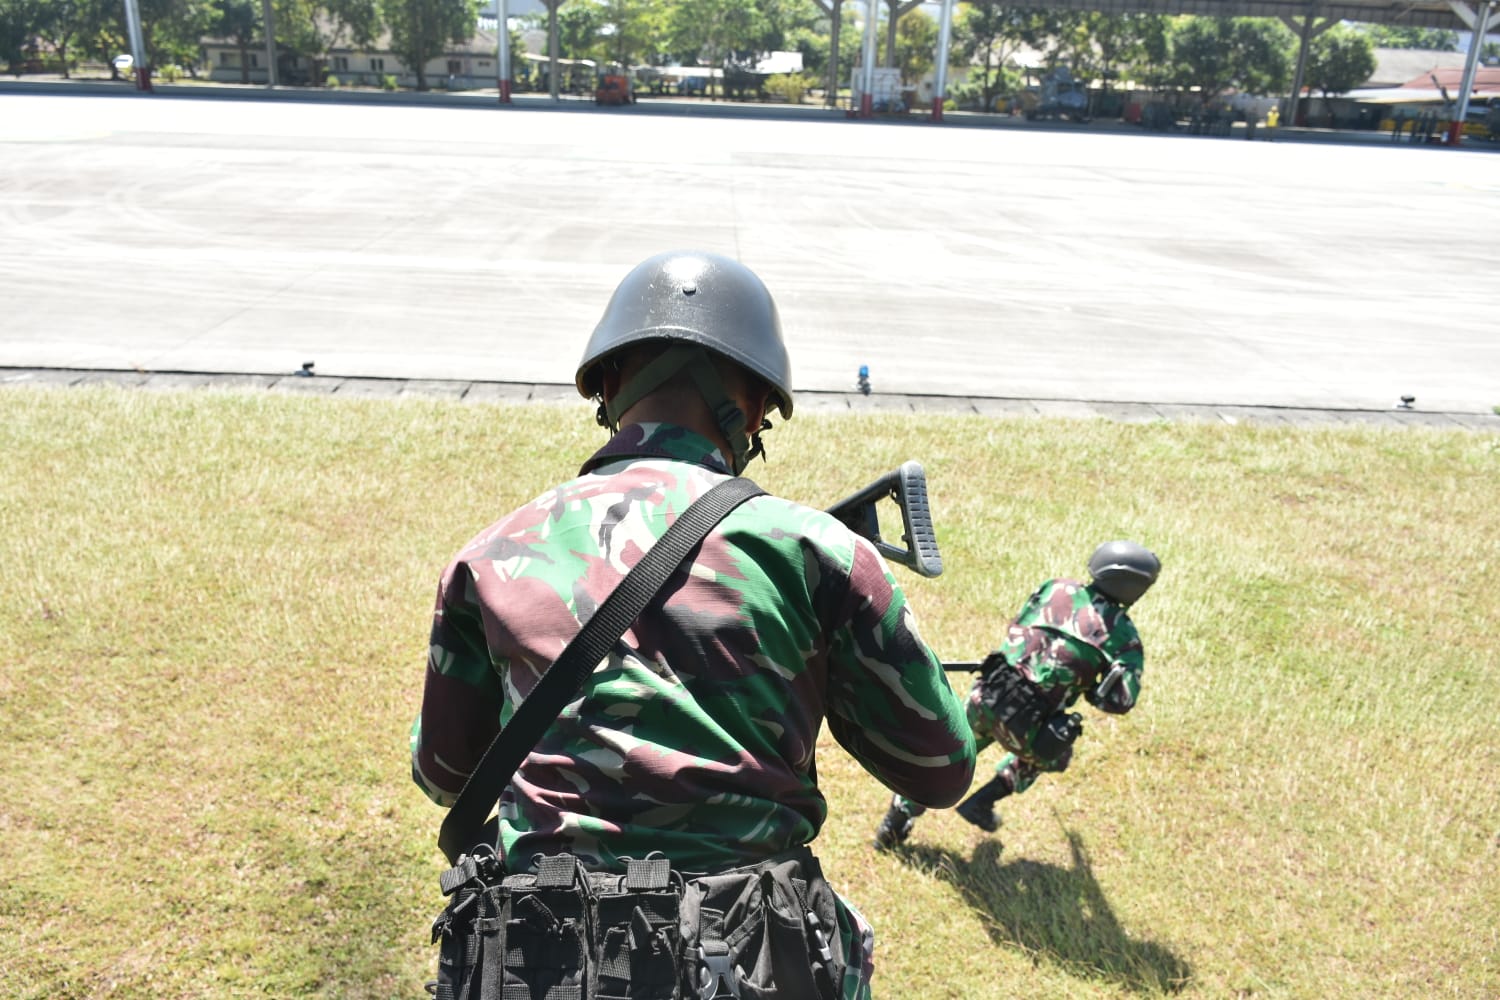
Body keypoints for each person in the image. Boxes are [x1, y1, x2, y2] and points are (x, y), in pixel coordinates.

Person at [411, 249, 976, 999]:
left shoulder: (492, 554)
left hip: (540, 965)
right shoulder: (818, 554)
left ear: (607, 386)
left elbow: (445, 775)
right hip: (746, 962)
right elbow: (941, 770)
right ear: (755, 411)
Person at [875, 540, 1160, 849]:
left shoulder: (1056, 588)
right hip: (1029, 726)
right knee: (1056, 752)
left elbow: (1019, 625)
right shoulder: (1124, 637)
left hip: (987, 694)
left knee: (949, 757)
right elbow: (1119, 701)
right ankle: (983, 801)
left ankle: (895, 823)